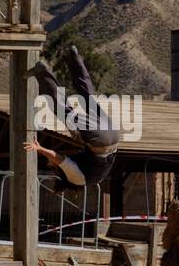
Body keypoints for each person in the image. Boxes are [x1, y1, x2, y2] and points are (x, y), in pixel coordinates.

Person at [23, 45, 119, 192]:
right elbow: (61, 159)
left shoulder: (93, 177)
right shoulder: (77, 179)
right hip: (100, 140)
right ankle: (41, 71)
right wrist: (40, 149)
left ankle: (73, 55)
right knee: (62, 109)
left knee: (88, 96)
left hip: (113, 134)